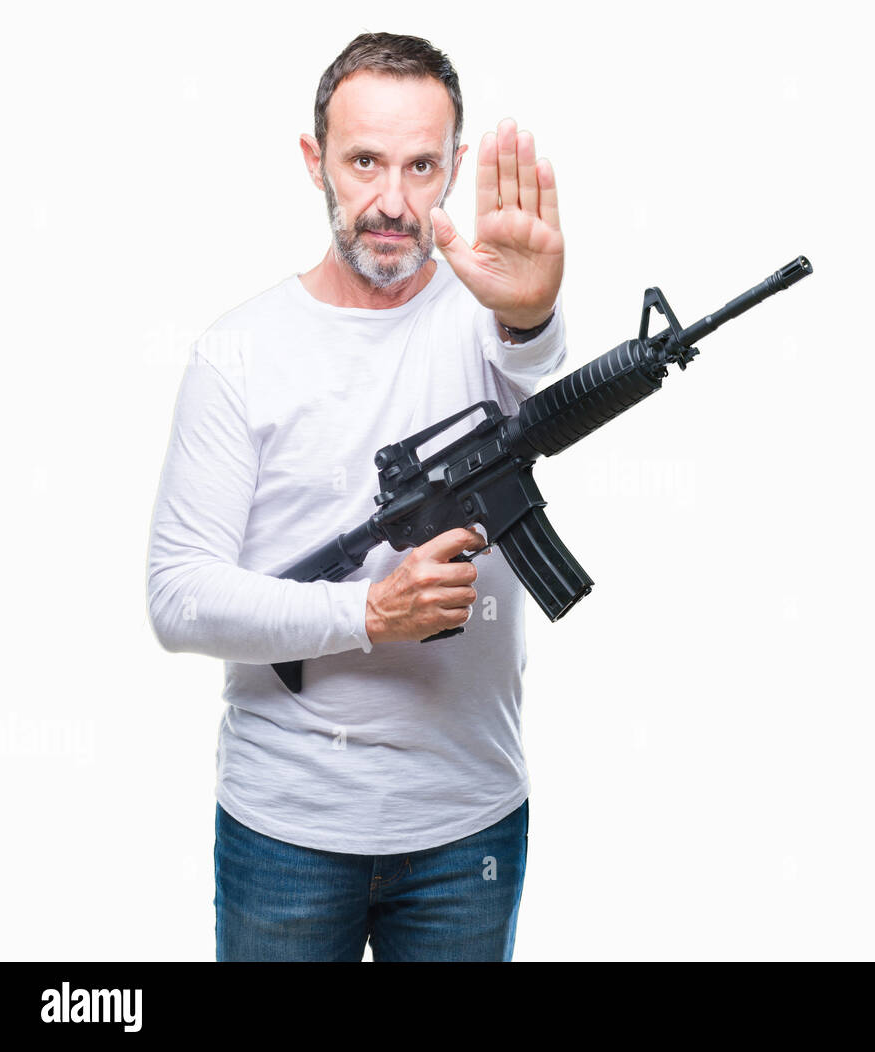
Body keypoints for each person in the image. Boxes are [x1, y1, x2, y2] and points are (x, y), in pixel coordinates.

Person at [144, 31, 567, 961]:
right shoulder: (238, 351)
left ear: (456, 168)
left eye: (422, 166)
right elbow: (177, 598)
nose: (392, 201)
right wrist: (368, 613)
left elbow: (542, 375)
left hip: (469, 825)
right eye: (365, 161)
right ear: (315, 162)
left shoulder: (488, 312)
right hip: (285, 830)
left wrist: (532, 312)